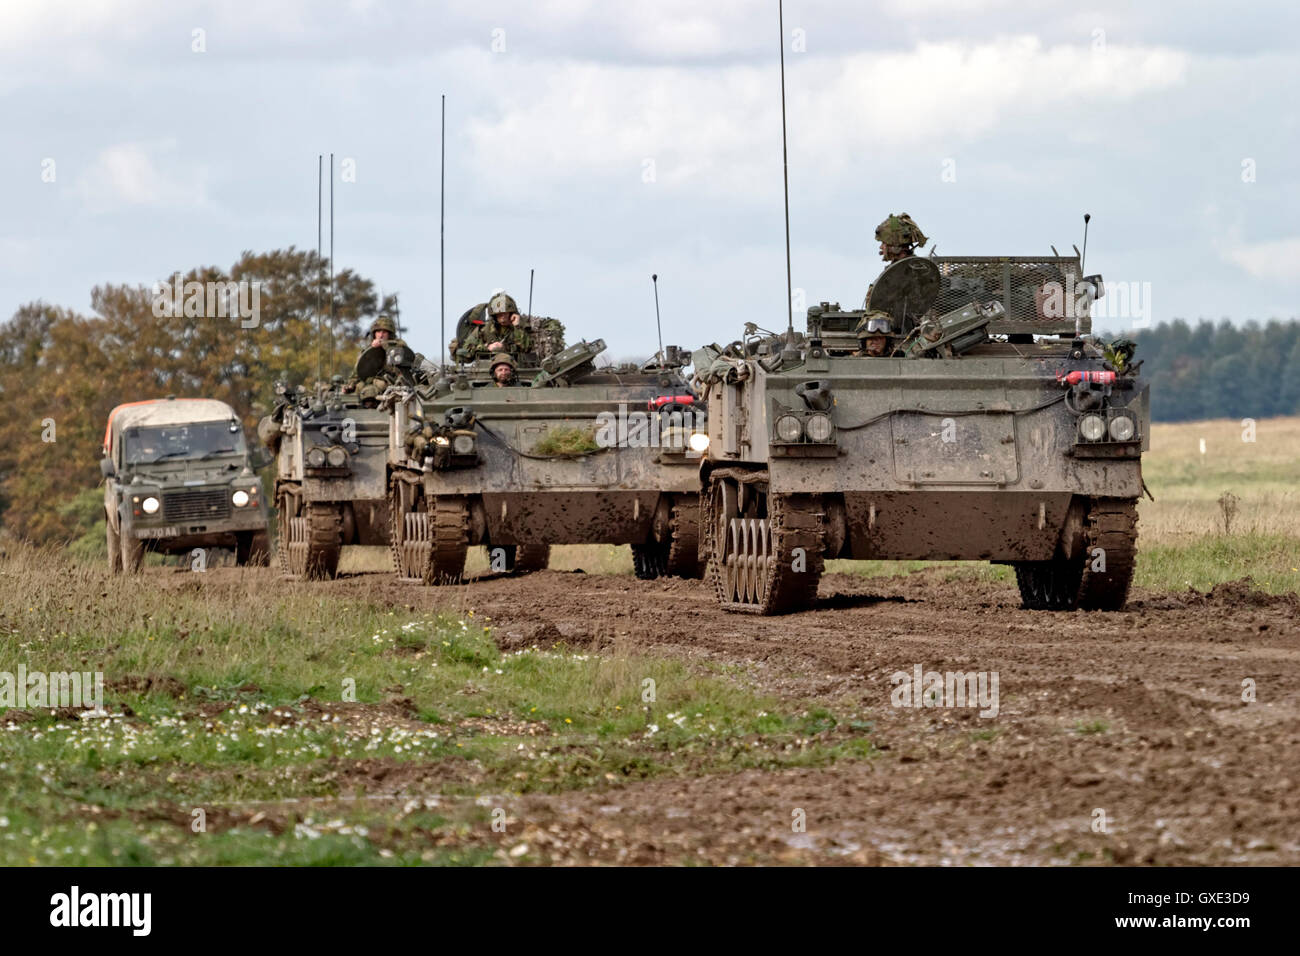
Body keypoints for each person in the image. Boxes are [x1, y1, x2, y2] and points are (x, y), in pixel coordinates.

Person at [455, 293, 533, 362]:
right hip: (488, 367)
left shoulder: (521, 327)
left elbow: (527, 348)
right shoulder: (484, 330)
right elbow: (466, 350)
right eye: (499, 314)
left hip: (515, 366)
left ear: (511, 313)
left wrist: (517, 327)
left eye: (505, 313)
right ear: (494, 316)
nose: (503, 317)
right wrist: (487, 348)